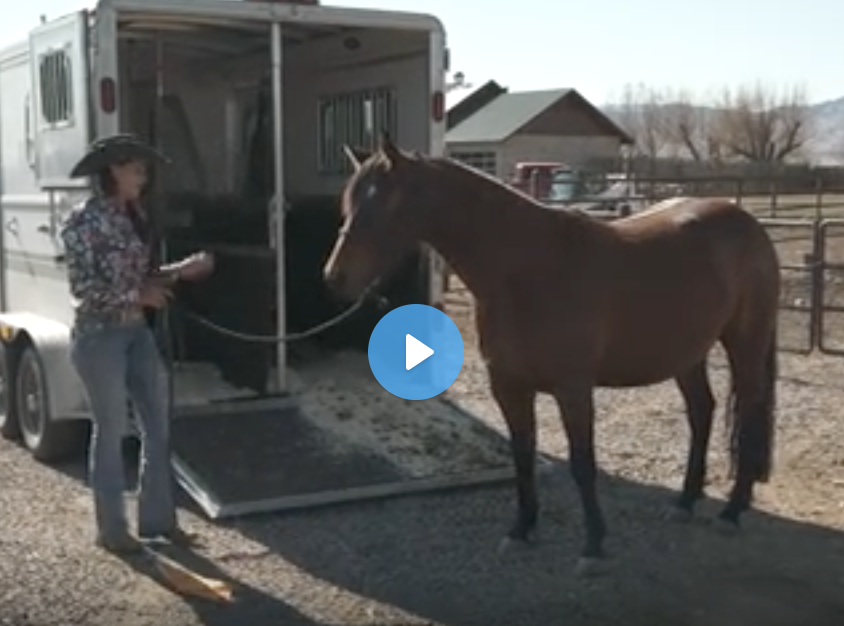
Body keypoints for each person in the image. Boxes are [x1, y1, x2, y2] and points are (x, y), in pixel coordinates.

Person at [60, 134, 215, 554]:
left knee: (158, 426)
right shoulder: (81, 222)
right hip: (99, 337)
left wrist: (182, 270)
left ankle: (159, 522)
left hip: (136, 333)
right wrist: (138, 296)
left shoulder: (136, 215)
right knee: (111, 430)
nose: (143, 177)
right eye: (137, 169)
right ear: (114, 170)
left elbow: (144, 276)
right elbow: (83, 287)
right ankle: (112, 531)